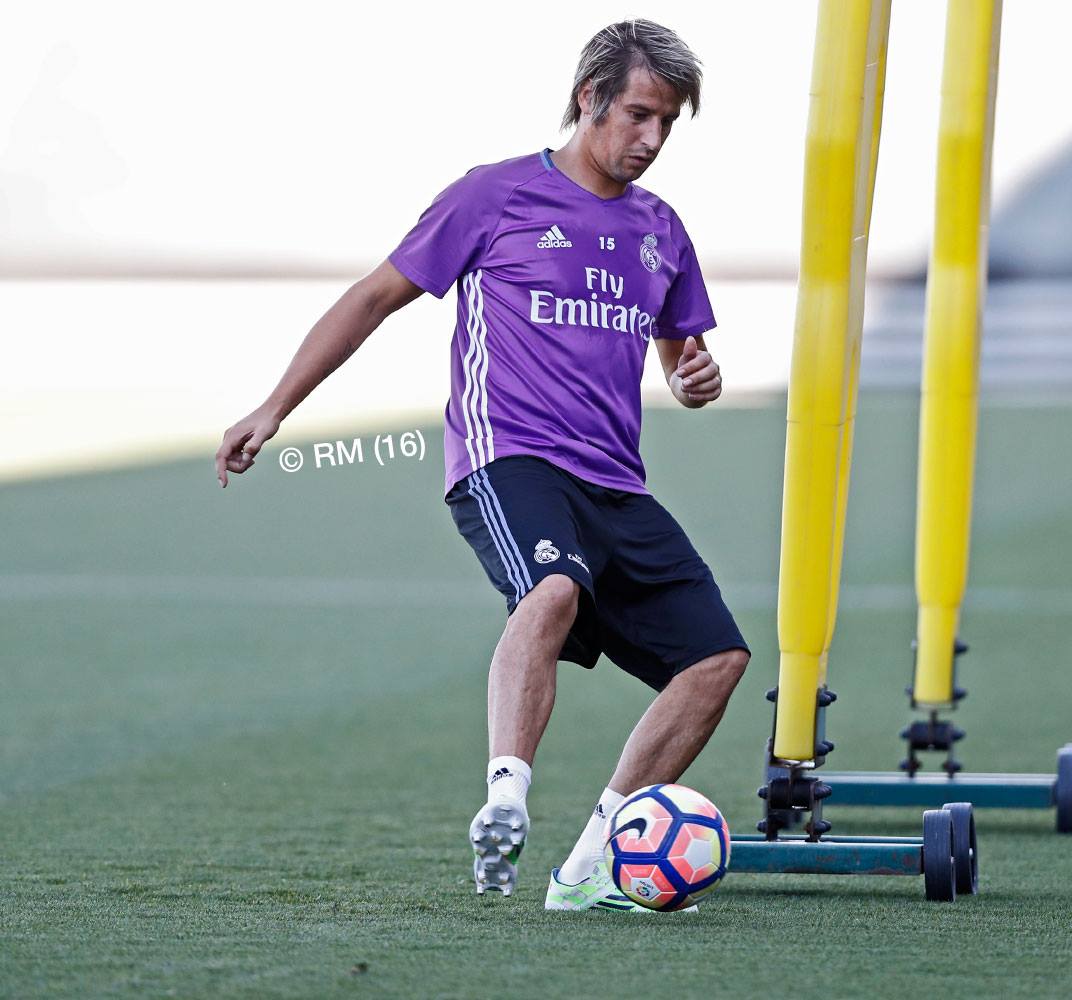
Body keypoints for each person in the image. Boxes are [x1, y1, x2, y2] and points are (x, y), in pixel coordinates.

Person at [214, 19, 749, 912]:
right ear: (590, 99)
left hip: (618, 482)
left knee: (719, 660)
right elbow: (374, 296)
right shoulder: (493, 195)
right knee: (553, 591)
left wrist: (696, 377)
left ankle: (590, 866)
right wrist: (275, 406)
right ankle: (507, 792)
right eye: (641, 115)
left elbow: (680, 356)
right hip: (511, 460)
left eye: (668, 126)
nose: (653, 142)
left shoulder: (663, 230)